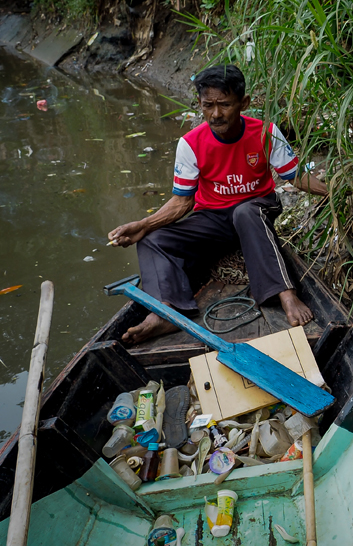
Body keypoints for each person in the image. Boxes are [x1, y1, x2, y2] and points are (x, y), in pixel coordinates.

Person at [109, 64, 328, 344]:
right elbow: (182, 202)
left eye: (224, 105)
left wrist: (334, 191)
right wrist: (144, 225)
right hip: (214, 218)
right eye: (207, 105)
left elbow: (297, 178)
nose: (215, 114)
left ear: (243, 103)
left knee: (245, 211)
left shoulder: (265, 133)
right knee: (153, 240)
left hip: (257, 209)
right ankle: (166, 311)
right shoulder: (190, 144)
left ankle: (286, 292)